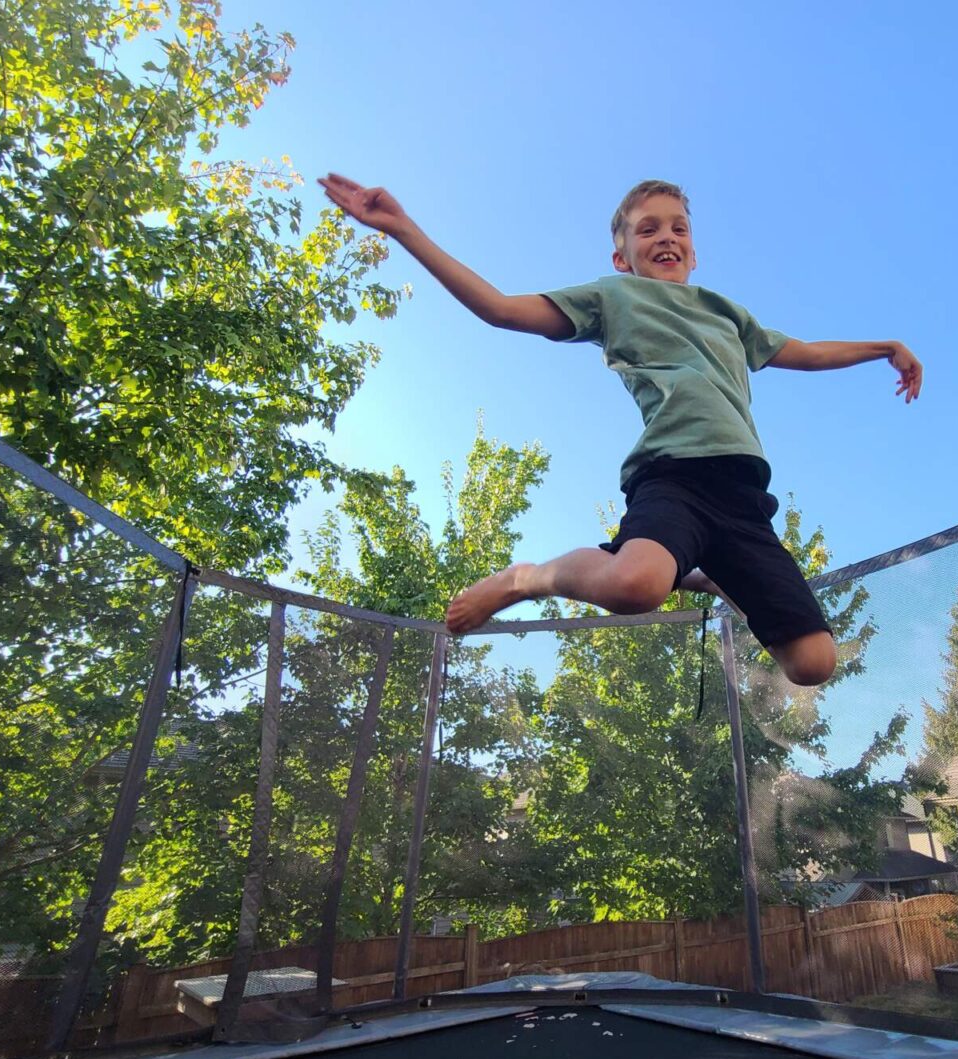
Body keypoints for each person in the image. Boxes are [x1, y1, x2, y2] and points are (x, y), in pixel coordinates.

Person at [319, 175, 923, 686]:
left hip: (743, 496)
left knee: (813, 664)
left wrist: (885, 347)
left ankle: (707, 570)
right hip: (673, 477)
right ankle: (527, 578)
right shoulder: (615, 297)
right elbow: (500, 308)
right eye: (649, 228)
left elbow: (807, 352)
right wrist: (404, 230)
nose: (666, 237)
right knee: (636, 585)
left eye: (678, 228)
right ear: (622, 257)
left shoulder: (727, 314)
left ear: (694, 249)